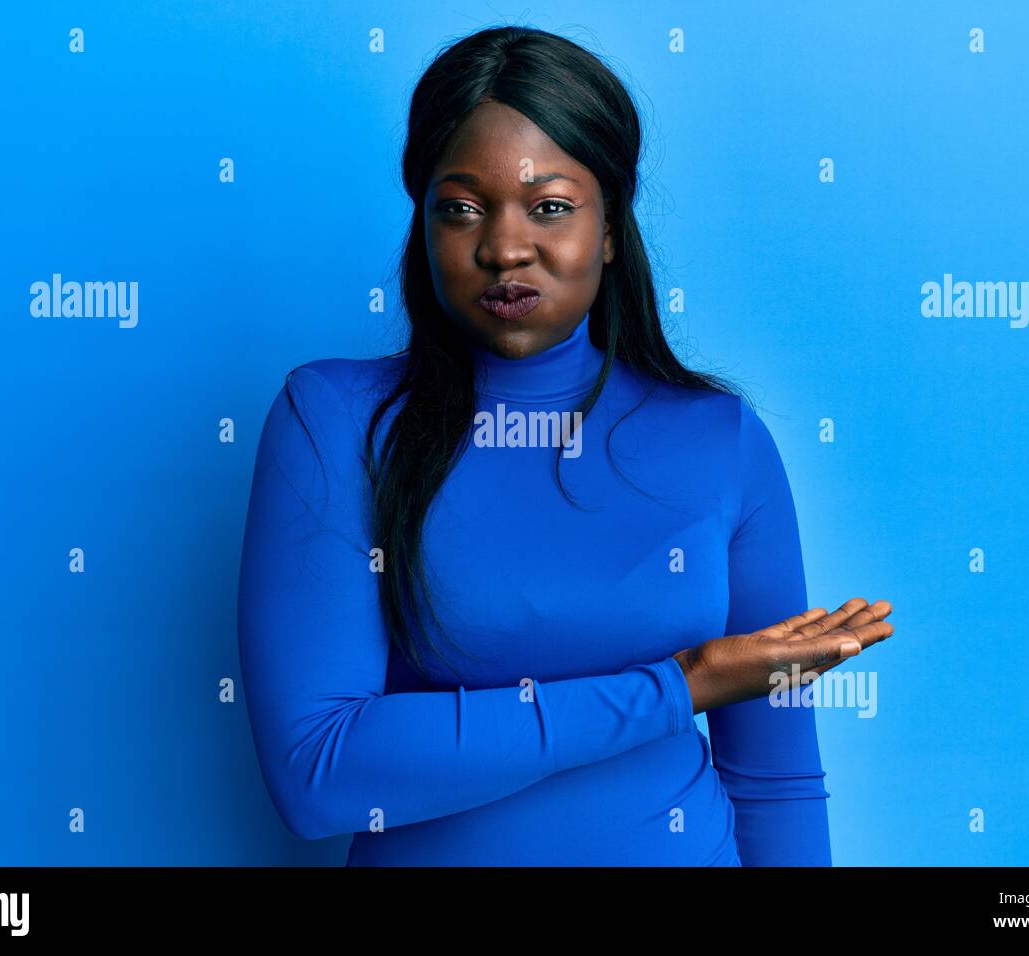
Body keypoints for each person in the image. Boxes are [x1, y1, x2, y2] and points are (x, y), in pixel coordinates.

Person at [236, 25, 893, 866]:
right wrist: (681, 683)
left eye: (549, 206)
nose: (504, 247)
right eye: (461, 208)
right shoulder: (333, 422)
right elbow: (318, 774)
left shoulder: (721, 440)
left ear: (611, 228)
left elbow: (777, 782)